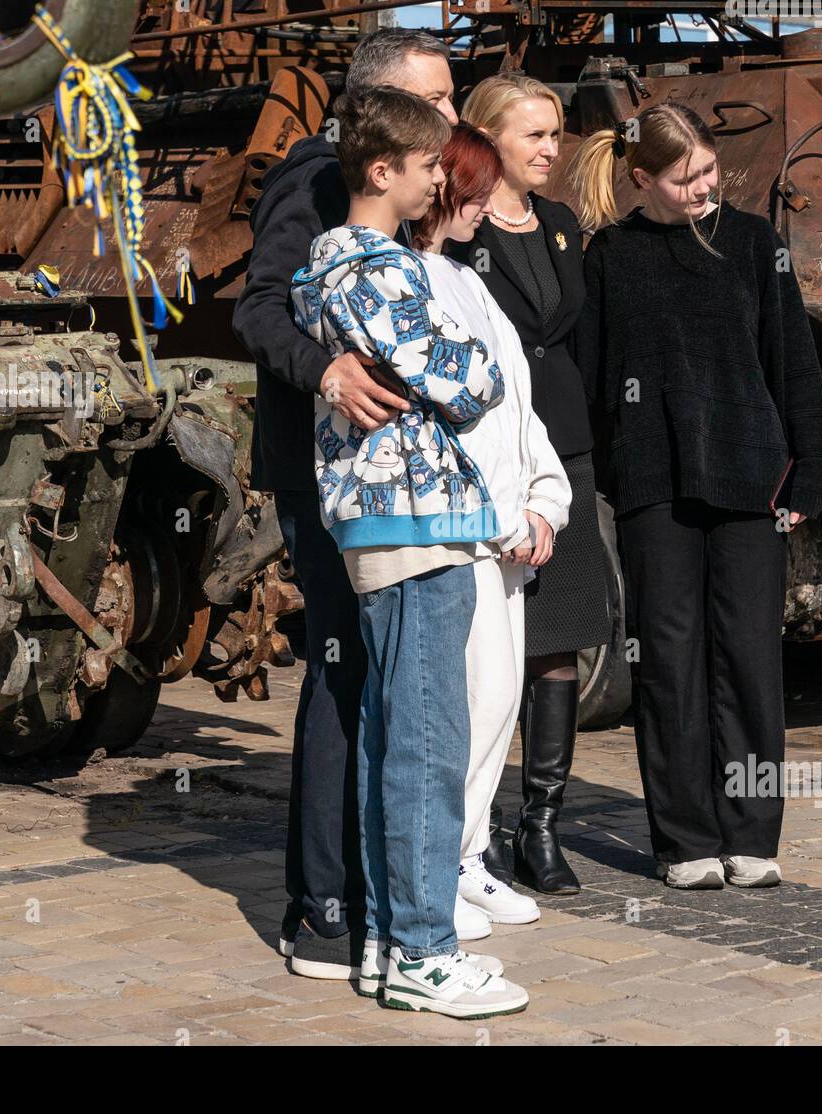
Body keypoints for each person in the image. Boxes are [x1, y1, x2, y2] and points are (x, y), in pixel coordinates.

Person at [290, 87, 530, 1018]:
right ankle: (427, 951)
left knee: (398, 738)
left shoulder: (341, 270)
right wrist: (464, 362)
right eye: (430, 164)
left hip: (397, 519)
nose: (441, 179)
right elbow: (470, 378)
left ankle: (394, 940)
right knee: (428, 745)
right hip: (417, 521)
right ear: (382, 171)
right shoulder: (372, 269)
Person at [231, 29, 458, 981]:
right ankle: (321, 905)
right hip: (328, 477)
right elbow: (258, 306)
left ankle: (376, 895)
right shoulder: (316, 180)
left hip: (374, 477)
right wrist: (325, 371)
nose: (454, 112)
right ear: (383, 110)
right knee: (341, 673)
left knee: (378, 679)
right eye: (438, 98)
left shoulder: (395, 195)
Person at [570, 101, 822, 890]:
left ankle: (753, 834)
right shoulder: (609, 258)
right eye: (686, 179)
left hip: (753, 486)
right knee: (668, 664)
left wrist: (809, 473)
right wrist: (616, 478)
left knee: (751, 661)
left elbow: (793, 364)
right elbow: (591, 384)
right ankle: (685, 840)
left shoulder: (756, 243)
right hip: (656, 493)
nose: (704, 189)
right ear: (641, 179)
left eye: (711, 173)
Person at [451, 73, 612, 896]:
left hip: (565, 455)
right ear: (488, 140)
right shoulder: (456, 235)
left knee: (561, 644)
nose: (553, 149)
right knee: (491, 655)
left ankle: (540, 828)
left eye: (556, 133)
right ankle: (467, 835)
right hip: (493, 454)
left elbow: (575, 339)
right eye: (535, 135)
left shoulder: (560, 225)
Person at [410, 123, 572, 931]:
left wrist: (546, 497)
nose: (483, 206)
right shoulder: (415, 281)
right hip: (461, 535)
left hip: (505, 534)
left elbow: (517, 408)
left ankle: (469, 854)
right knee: (461, 706)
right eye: (471, 192)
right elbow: (446, 423)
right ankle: (443, 866)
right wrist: (504, 512)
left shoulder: (470, 283)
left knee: (500, 698)